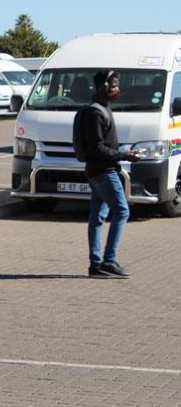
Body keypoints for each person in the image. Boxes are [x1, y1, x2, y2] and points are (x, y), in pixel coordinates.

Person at [79, 70, 139, 278]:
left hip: (101, 171)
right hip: (103, 172)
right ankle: (108, 261)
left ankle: (96, 265)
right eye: (113, 86)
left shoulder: (103, 109)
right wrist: (124, 155)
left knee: (98, 216)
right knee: (122, 211)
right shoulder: (95, 113)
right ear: (102, 87)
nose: (117, 89)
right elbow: (97, 148)